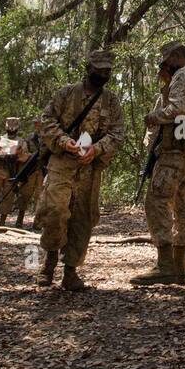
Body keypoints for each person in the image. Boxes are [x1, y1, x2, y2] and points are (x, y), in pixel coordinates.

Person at [35, 50, 125, 291]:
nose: (103, 74)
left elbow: (117, 133)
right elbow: (46, 120)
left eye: (107, 71)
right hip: (62, 162)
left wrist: (96, 149)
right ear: (88, 69)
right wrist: (65, 142)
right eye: (99, 70)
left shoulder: (112, 101)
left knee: (82, 219)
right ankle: (48, 263)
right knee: (54, 211)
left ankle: (71, 271)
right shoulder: (66, 94)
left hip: (90, 168)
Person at [132, 43, 185, 285]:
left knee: (157, 200)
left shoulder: (183, 74)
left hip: (176, 150)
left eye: (167, 59)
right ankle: (180, 266)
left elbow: (179, 109)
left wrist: (153, 117)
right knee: (184, 206)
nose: (164, 64)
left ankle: (166, 265)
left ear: (177, 57)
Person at [17, 118, 45, 227]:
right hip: (30, 170)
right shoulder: (29, 138)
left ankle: (37, 223)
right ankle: (19, 220)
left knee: (40, 197)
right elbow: (23, 153)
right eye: (36, 124)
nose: (38, 126)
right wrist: (29, 156)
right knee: (24, 195)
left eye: (40, 124)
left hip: (43, 170)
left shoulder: (48, 138)